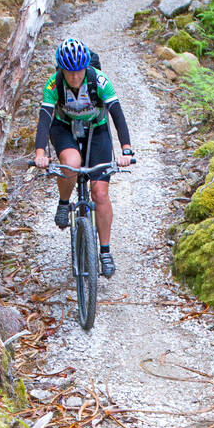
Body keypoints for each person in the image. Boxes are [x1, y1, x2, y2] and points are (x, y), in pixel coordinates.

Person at [34, 39, 134, 278]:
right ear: (62, 70)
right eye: (69, 73)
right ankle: (63, 201)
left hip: (96, 128)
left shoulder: (99, 81)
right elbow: (45, 118)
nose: (75, 78)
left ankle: (105, 252)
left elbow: (117, 115)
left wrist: (126, 151)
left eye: (79, 72)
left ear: (85, 68)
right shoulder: (54, 84)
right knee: (72, 163)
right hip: (64, 127)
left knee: (99, 192)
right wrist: (40, 153)